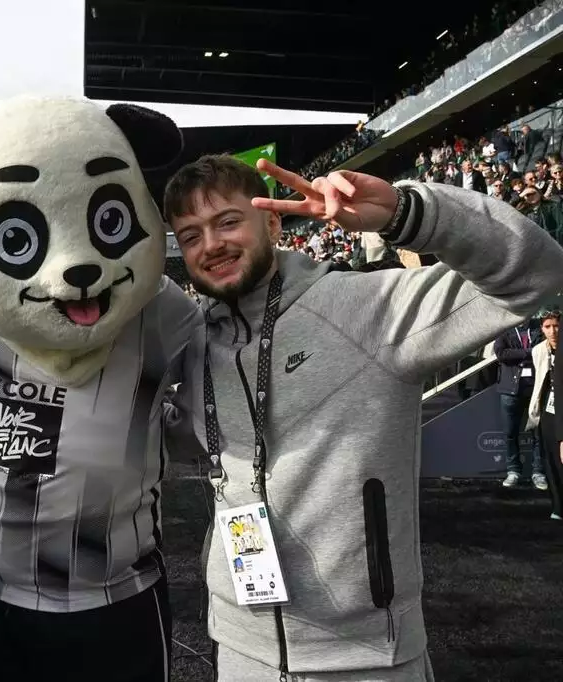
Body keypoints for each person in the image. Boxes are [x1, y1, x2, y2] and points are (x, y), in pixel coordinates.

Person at [163, 154, 563, 680]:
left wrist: (407, 213)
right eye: (191, 235)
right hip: (239, 648)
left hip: (367, 656)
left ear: (275, 222)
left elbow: (537, 276)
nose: (210, 245)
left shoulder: (364, 307)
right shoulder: (197, 344)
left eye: (228, 222)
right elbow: (184, 436)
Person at [494, 319, 545, 489]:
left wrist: (517, 353)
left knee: (539, 433)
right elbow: (501, 354)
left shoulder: (539, 328)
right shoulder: (505, 328)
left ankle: (538, 472)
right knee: (510, 432)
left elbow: (544, 351)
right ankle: (513, 471)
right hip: (510, 390)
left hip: (536, 389)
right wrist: (529, 352)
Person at [527, 311, 562, 519]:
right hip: (548, 407)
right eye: (548, 326)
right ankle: (557, 505)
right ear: (541, 329)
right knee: (550, 457)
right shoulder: (538, 351)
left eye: (556, 325)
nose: (553, 331)